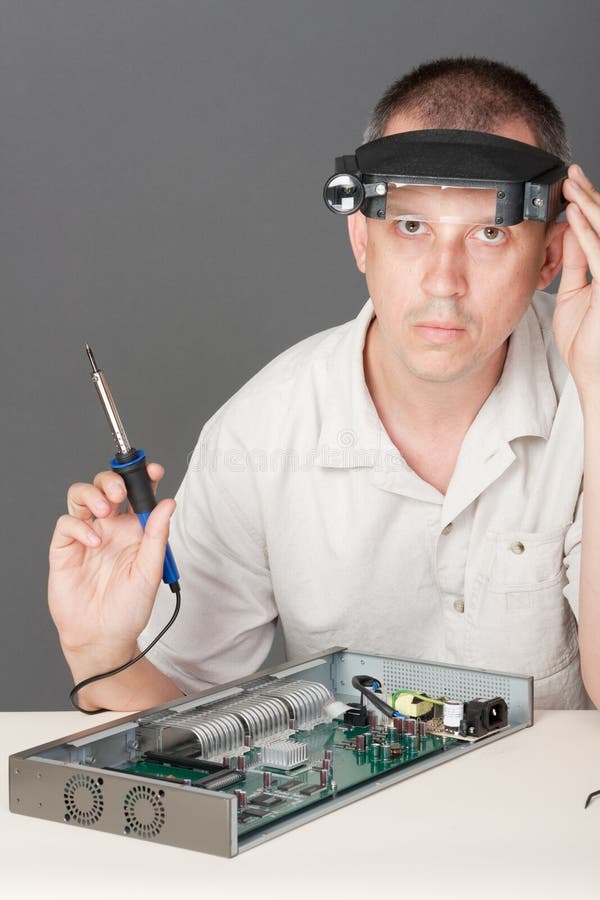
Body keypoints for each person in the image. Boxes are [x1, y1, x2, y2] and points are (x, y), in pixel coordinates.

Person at [48, 57, 600, 713]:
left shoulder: (585, 390)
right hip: (346, 817)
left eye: (488, 232)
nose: (443, 281)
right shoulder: (258, 436)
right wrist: (101, 653)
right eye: (411, 227)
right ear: (361, 238)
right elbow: (181, 727)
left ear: (552, 256)